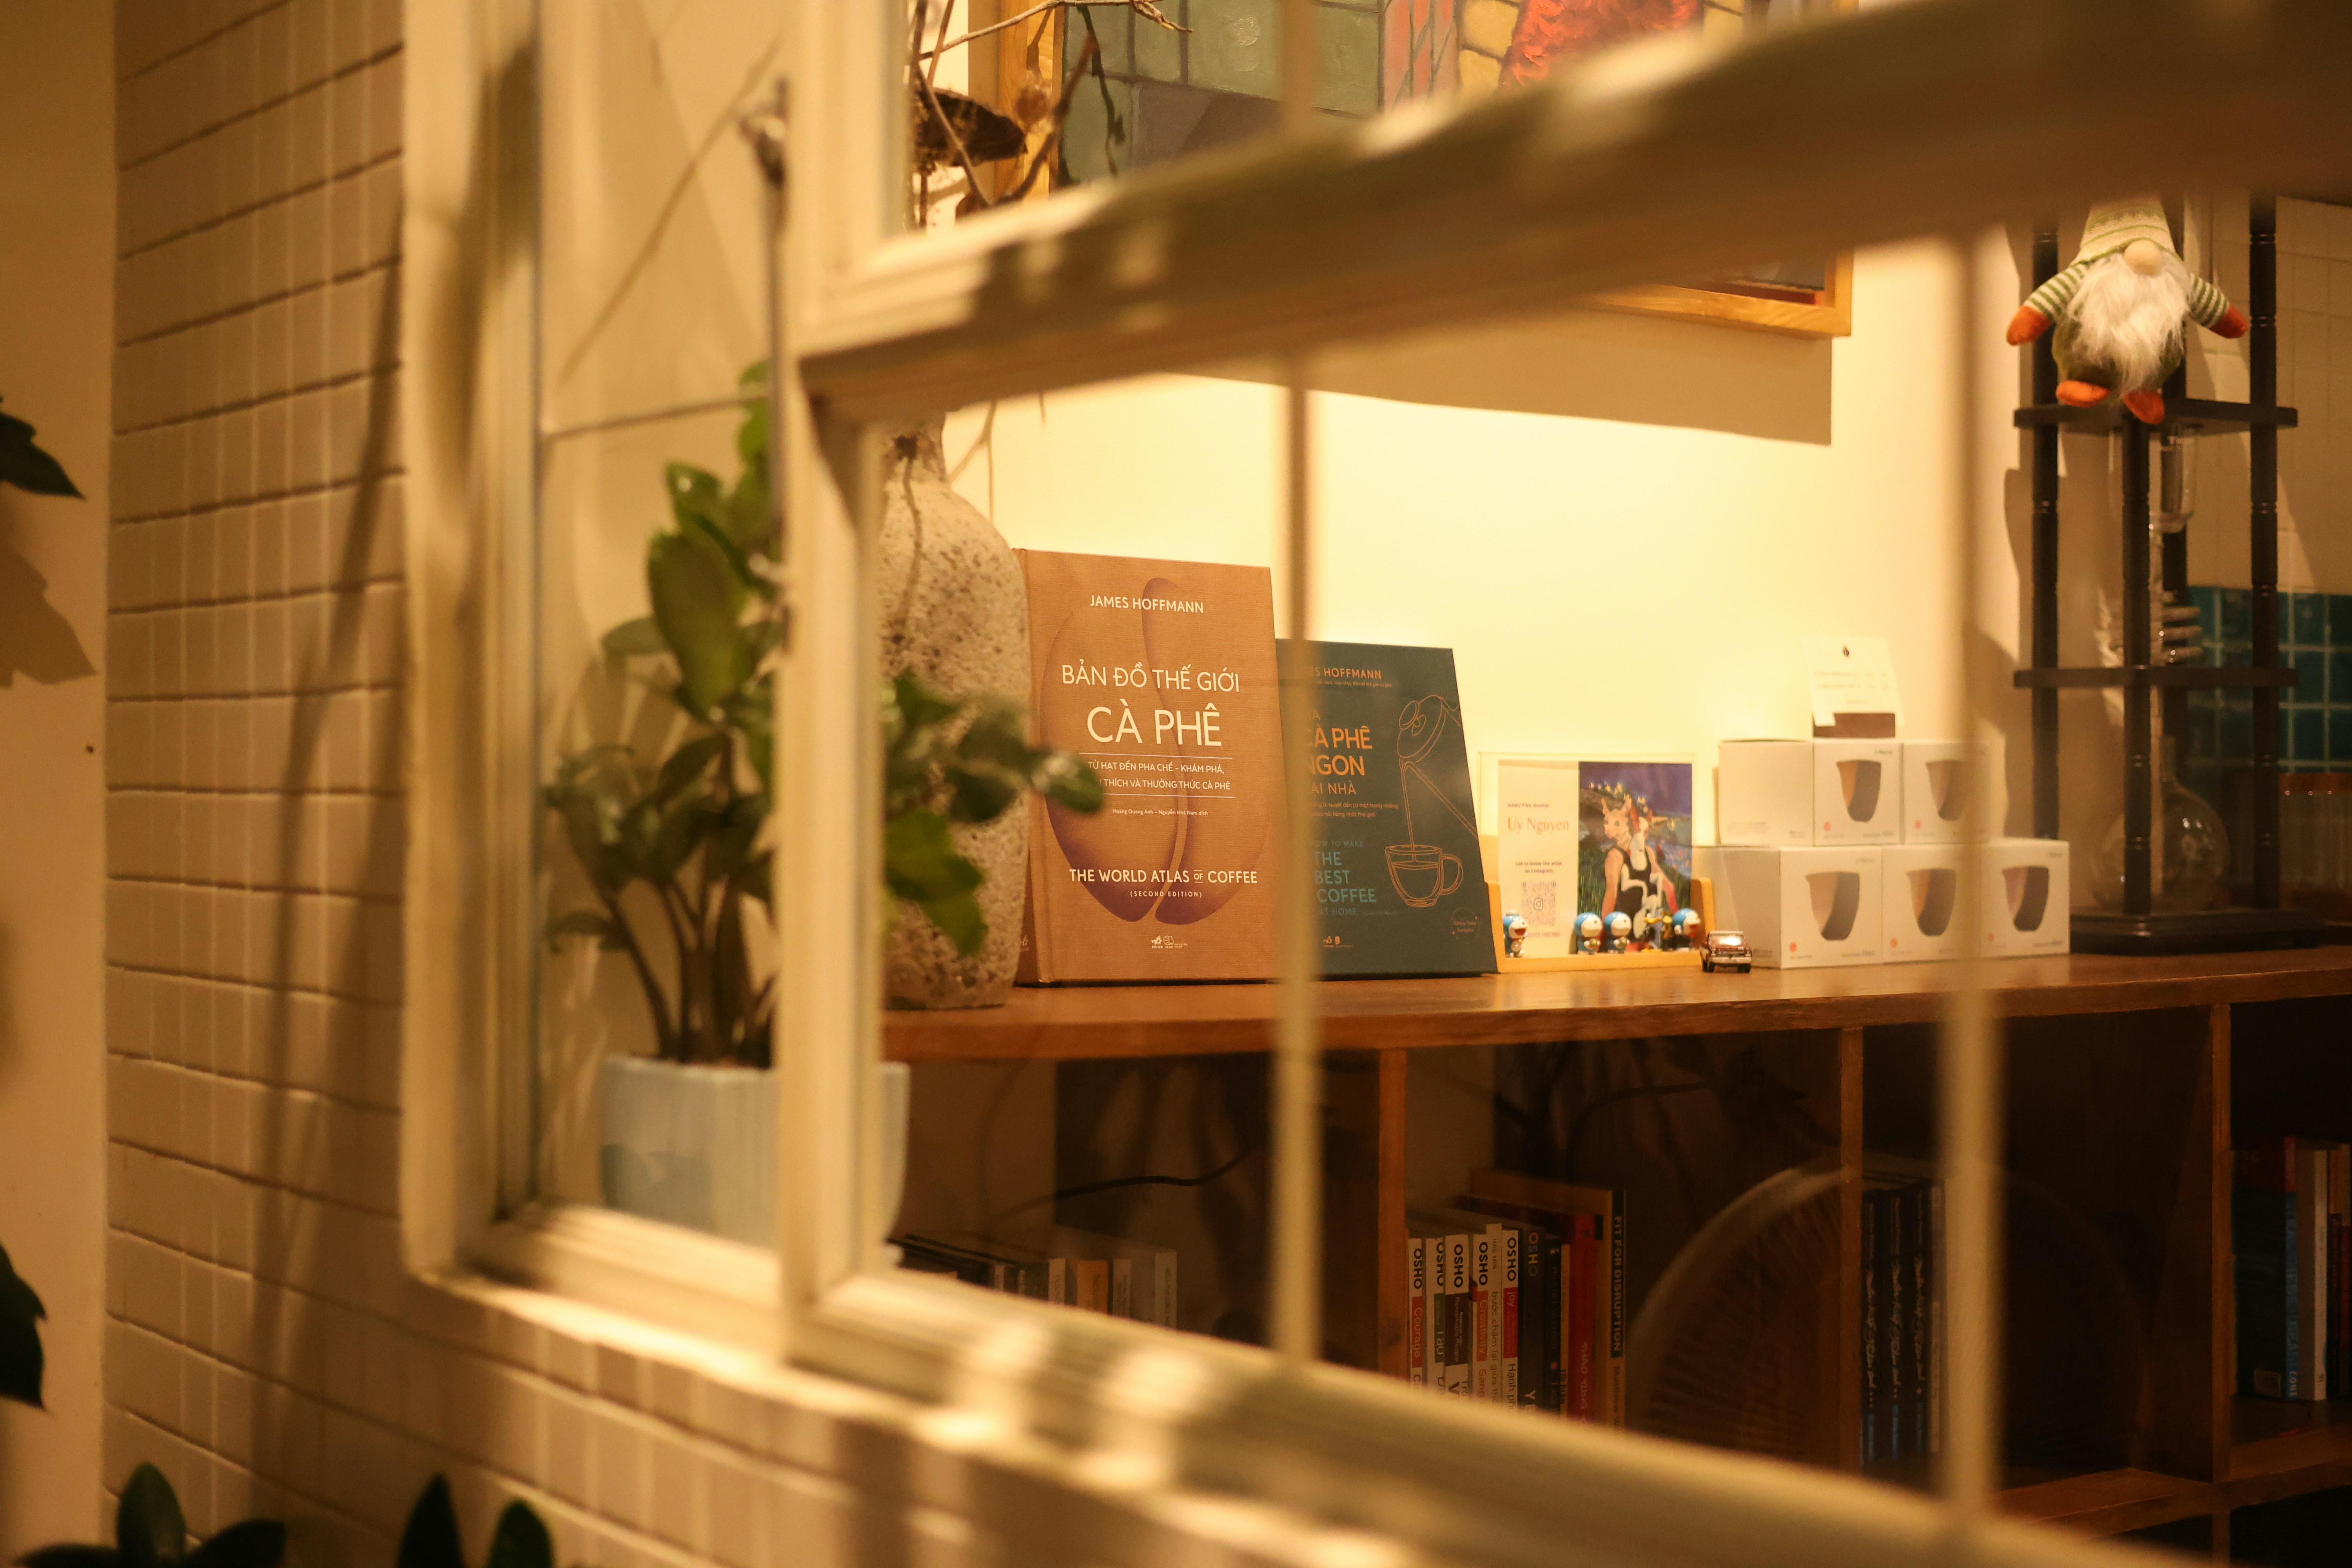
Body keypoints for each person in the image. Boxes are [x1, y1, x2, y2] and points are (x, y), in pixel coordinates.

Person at [1598, 787, 1680, 945]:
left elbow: (1612, 895)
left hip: (1628, 931)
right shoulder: (1642, 853)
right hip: (1644, 930)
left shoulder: (1616, 856)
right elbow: (1669, 888)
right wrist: (1676, 924)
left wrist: (1603, 935)